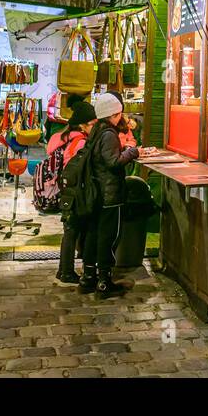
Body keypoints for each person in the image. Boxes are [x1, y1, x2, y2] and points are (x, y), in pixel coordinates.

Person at [78, 92, 138, 297]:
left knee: (93, 235)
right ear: (114, 114)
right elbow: (113, 162)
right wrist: (132, 152)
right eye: (119, 113)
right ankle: (104, 281)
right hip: (109, 194)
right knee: (108, 237)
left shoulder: (96, 132)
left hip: (96, 194)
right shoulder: (109, 135)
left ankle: (88, 277)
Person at [53, 102, 98, 285]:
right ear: (82, 125)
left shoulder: (64, 137)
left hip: (66, 189)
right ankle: (66, 272)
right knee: (72, 231)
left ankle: (63, 270)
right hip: (75, 190)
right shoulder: (80, 142)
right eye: (92, 123)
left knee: (70, 231)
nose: (94, 127)